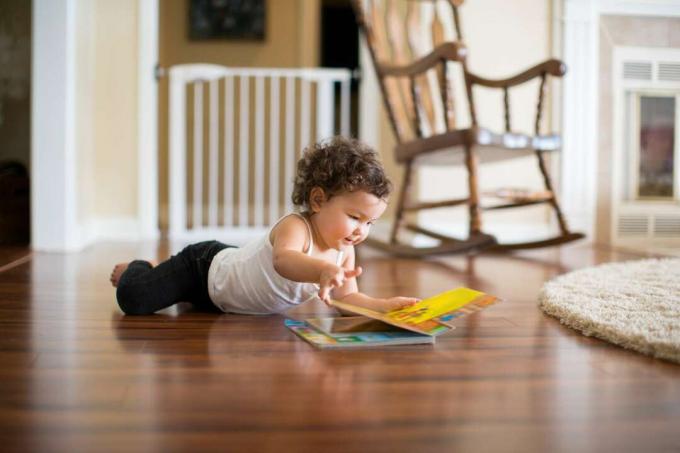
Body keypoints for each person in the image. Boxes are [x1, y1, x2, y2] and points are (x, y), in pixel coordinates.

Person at [110, 136, 418, 315]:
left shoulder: (343, 253)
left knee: (188, 303)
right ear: (318, 200)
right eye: (354, 217)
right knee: (135, 299)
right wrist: (321, 270)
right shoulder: (297, 228)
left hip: (223, 296)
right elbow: (283, 261)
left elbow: (347, 299)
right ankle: (142, 268)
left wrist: (384, 306)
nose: (361, 230)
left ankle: (164, 273)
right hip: (203, 269)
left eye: (370, 223)